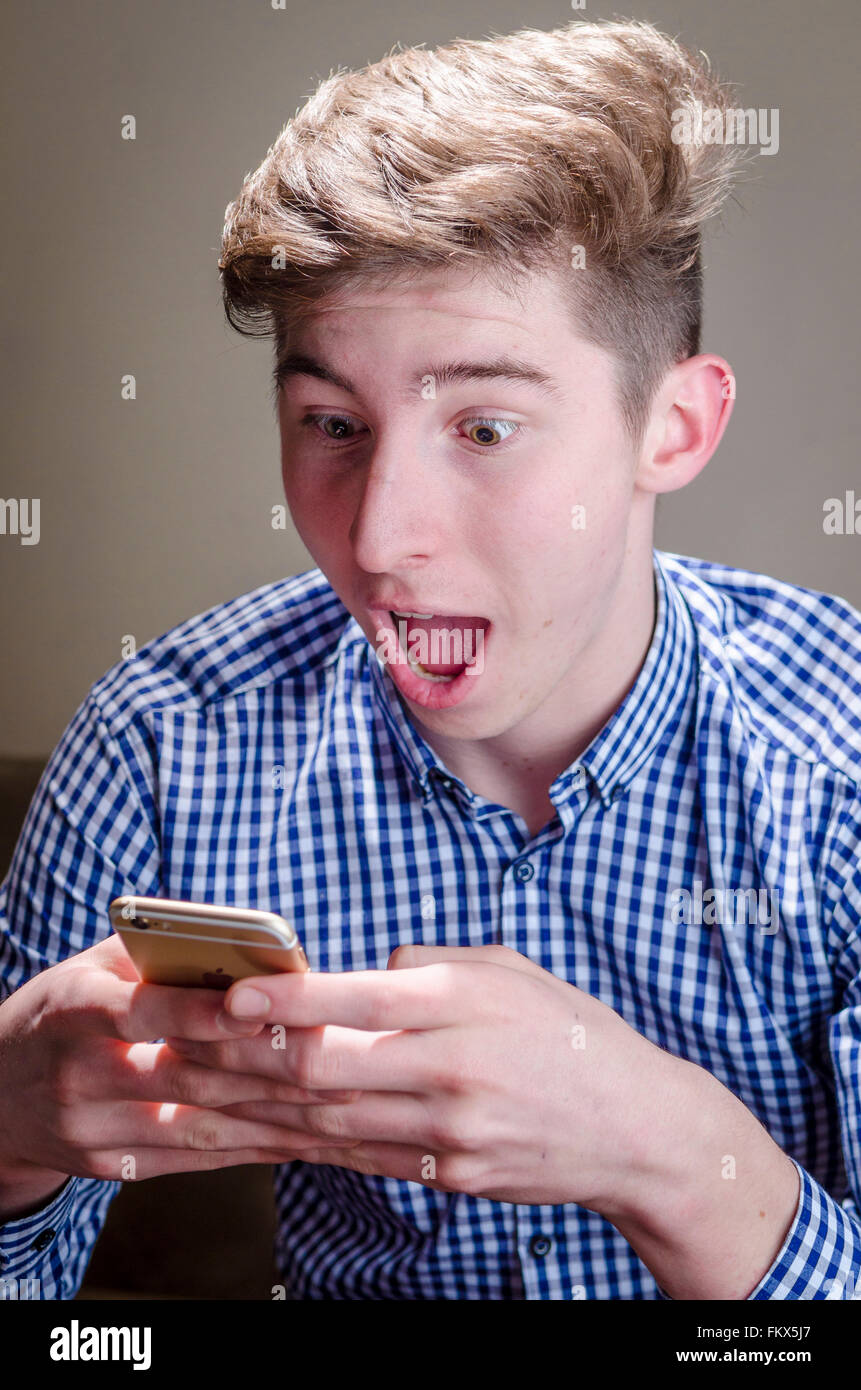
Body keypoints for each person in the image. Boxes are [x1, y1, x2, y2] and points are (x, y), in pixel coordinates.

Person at [1, 17, 859, 1302]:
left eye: (487, 424)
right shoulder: (161, 744)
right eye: (331, 422)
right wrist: (7, 1131)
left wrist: (675, 1159)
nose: (381, 535)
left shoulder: (839, 757)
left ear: (672, 426)